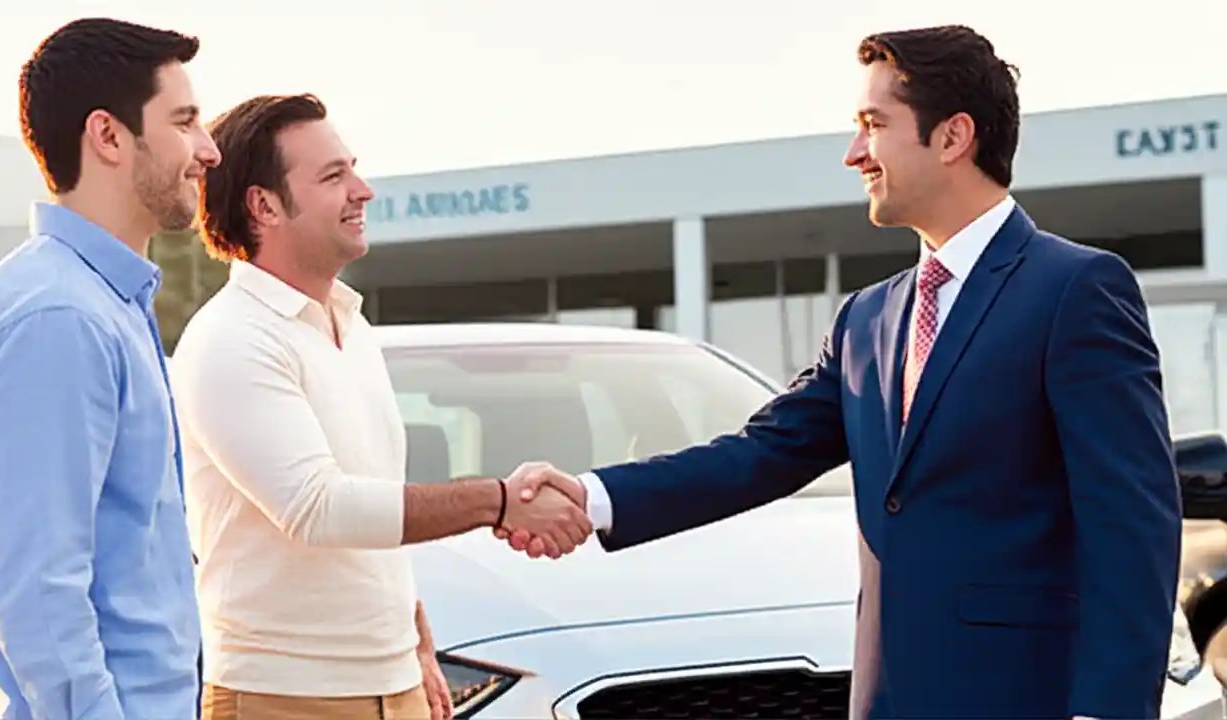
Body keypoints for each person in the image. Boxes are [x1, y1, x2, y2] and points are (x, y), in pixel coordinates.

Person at [498, 24, 1182, 720]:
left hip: (1024, 699)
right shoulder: (867, 318)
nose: (854, 153)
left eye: (873, 125)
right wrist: (591, 496)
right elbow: (761, 453)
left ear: (953, 136)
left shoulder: (1075, 289)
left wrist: (1111, 710)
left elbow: (1131, 524)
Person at [168, 92, 588, 720]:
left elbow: (373, 498)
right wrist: (498, 500)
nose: (362, 191)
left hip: (396, 686)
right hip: (282, 699)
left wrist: (413, 637)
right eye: (333, 177)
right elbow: (319, 508)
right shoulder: (231, 338)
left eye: (353, 170)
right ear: (264, 206)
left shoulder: (351, 325)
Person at [0, 17, 221, 720]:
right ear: (108, 136)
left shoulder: (104, 303)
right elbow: (40, 598)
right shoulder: (58, 317)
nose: (209, 149)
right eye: (184, 121)